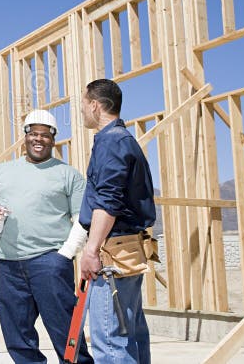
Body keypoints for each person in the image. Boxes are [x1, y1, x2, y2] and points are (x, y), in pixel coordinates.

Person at [0, 109, 94, 364]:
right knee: (17, 335)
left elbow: (83, 220)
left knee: (66, 332)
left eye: (45, 135)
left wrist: (64, 256)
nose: (39, 139)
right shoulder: (1, 172)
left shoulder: (68, 174)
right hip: (7, 263)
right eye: (34, 134)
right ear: (25, 137)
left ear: (53, 139)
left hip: (49, 262)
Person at [77, 79, 157, 364]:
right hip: (127, 250)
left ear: (95, 105)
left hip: (112, 253)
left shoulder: (112, 142)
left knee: (110, 341)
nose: (82, 110)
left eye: (84, 104)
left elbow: (108, 202)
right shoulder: (123, 140)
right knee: (131, 333)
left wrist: (91, 250)